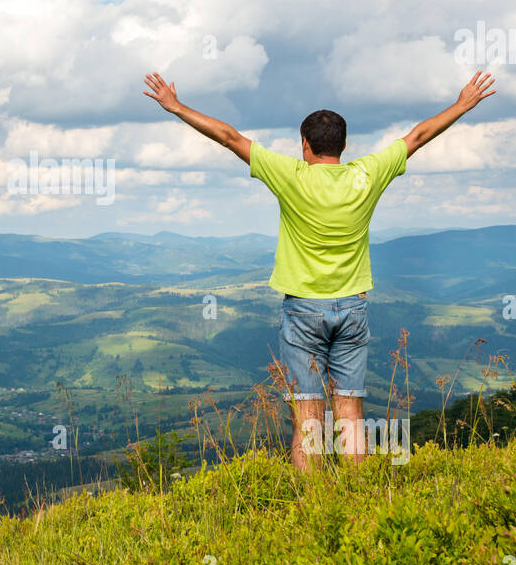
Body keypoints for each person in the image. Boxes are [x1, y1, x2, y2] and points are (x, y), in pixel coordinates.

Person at [142, 69, 497, 470]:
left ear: (305, 145)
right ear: (343, 145)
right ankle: (357, 497)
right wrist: (463, 104)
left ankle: (311, 505)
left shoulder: (291, 175)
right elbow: (417, 136)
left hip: (303, 310)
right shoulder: (367, 174)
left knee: (307, 417)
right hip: (353, 308)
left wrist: (175, 107)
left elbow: (229, 137)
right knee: (350, 414)